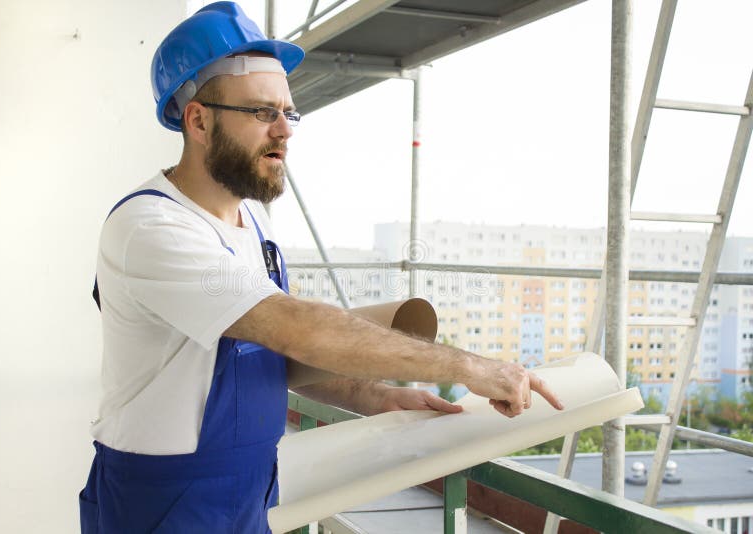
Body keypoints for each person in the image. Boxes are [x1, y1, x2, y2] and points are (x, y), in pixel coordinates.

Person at [79, 2, 564, 533]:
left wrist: (379, 397)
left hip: (251, 489)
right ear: (199, 119)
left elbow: (271, 360)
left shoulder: (252, 225)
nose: (285, 131)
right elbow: (295, 329)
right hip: (163, 504)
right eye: (263, 112)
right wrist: (475, 369)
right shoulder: (151, 227)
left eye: (289, 112)